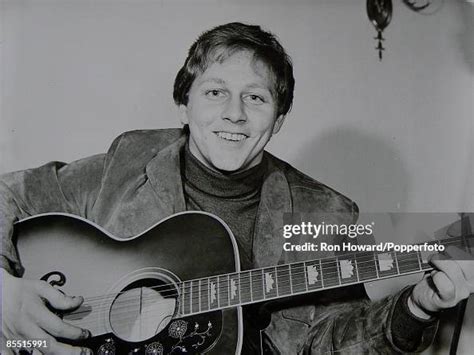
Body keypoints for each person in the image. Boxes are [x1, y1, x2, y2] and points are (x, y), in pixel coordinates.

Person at [1, 22, 472, 355]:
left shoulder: (325, 213)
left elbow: (327, 342)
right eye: (214, 92)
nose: (235, 113)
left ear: (279, 119)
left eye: (255, 97)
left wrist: (416, 308)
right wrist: (5, 291)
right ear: (184, 105)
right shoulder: (124, 163)